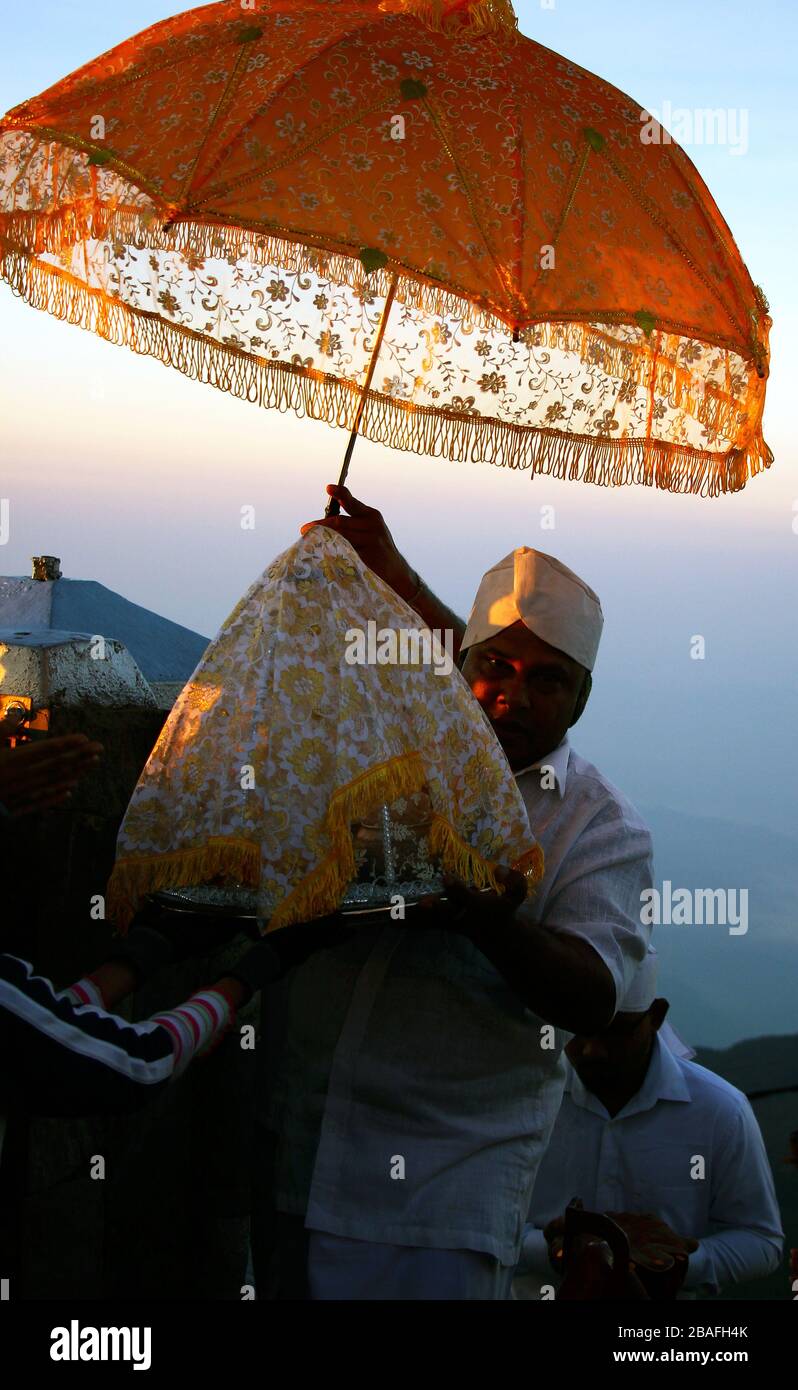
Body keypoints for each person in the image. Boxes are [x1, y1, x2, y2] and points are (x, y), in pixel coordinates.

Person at [250, 484, 653, 1301]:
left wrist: (488, 923)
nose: (512, 695)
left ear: (582, 698)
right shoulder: (385, 753)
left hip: (447, 1194)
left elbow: (592, 995)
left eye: (548, 681)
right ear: (460, 665)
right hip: (297, 1149)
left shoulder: (599, 825)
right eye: (494, 668)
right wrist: (388, 566)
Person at [515, 949, 784, 1298]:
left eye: (615, 1033)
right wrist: (558, 1252)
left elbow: (761, 1240)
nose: (593, 1050)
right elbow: (480, 1220)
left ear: (656, 1016)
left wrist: (680, 1263)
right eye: (579, 1031)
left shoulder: (720, 1111)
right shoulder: (526, 1098)